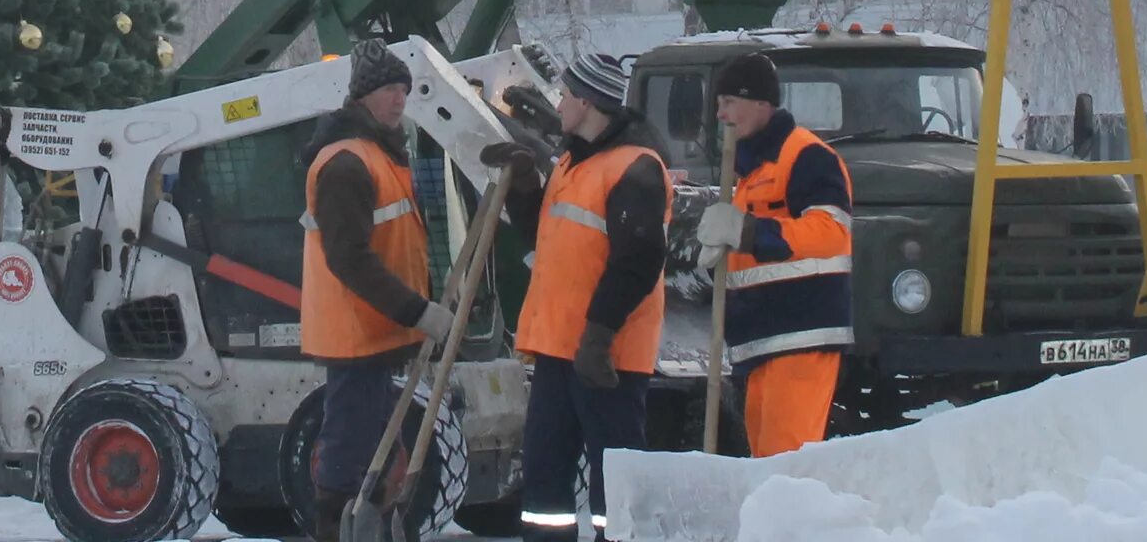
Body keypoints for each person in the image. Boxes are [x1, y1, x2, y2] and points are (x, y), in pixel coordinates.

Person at [491, 50, 669, 538]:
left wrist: (599, 333)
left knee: (615, 485)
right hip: (557, 348)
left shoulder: (635, 168)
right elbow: (548, 237)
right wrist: (525, 187)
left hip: (604, 353)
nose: (560, 102)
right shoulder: (574, 162)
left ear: (588, 102)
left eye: (566, 94)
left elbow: (638, 260)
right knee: (545, 482)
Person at [301, 41, 451, 542]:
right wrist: (416, 310)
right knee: (349, 445)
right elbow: (349, 258)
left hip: (378, 330)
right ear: (364, 96)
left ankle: (368, 525)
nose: (400, 99)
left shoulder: (382, 155)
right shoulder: (347, 164)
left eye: (404, 90)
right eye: (390, 89)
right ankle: (333, 529)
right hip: (356, 332)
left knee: (379, 448)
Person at [694, 50, 851, 458]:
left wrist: (747, 232)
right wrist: (719, 264)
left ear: (762, 102)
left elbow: (831, 232)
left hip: (800, 336)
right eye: (717, 105)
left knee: (787, 468)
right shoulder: (750, 173)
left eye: (729, 102)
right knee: (766, 467)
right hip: (760, 342)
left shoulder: (805, 157)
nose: (721, 115)